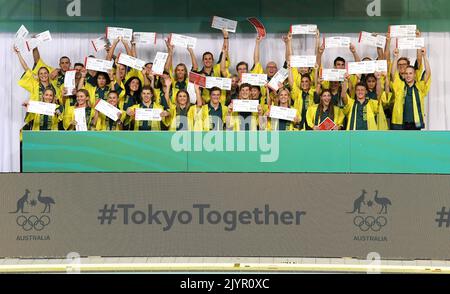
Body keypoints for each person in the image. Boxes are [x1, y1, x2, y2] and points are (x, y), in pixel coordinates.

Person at [390, 47, 431, 130]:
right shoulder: (399, 85)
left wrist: (425, 56)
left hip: (416, 122)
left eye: (410, 73)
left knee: (415, 143)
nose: (408, 75)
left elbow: (428, 73)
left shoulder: (419, 86)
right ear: (404, 75)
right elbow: (393, 73)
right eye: (406, 73)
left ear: (414, 75)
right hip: (399, 122)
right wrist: (395, 57)